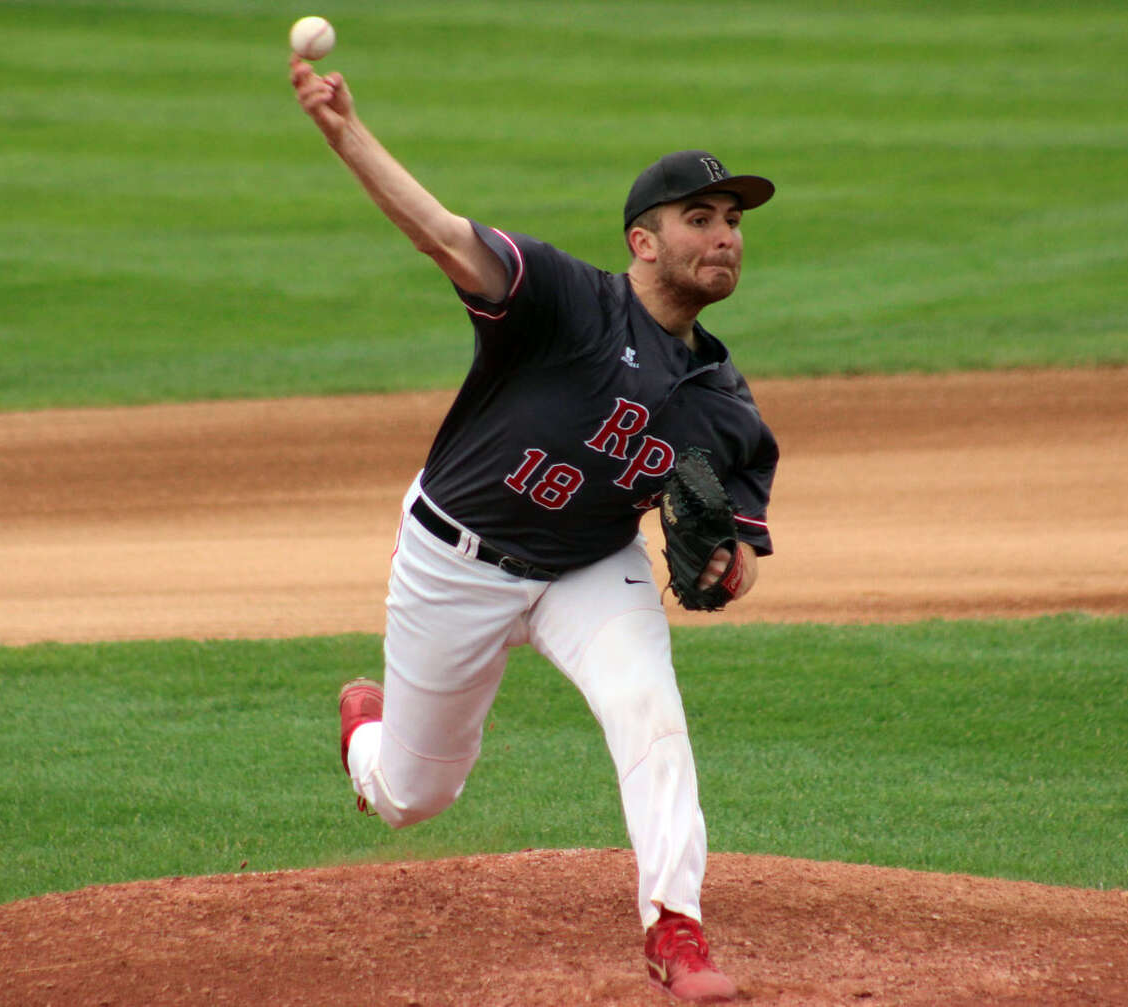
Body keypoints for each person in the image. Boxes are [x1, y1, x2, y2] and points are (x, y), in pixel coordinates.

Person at [291, 53, 779, 1003]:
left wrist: (724, 564)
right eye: (700, 219)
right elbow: (438, 234)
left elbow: (740, 557)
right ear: (643, 241)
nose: (724, 238)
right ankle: (365, 730)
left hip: (590, 570)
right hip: (453, 559)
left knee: (652, 714)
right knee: (411, 798)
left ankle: (677, 932)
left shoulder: (728, 407)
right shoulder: (560, 299)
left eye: (733, 223)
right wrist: (345, 130)